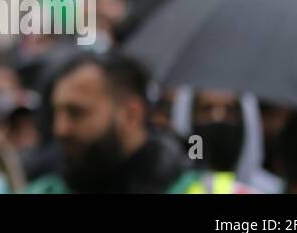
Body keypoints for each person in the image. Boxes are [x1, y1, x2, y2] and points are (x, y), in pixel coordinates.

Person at [25, 53, 193, 193]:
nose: (60, 129)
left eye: (76, 112)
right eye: (56, 113)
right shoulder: (45, 190)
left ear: (131, 115)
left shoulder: (191, 188)